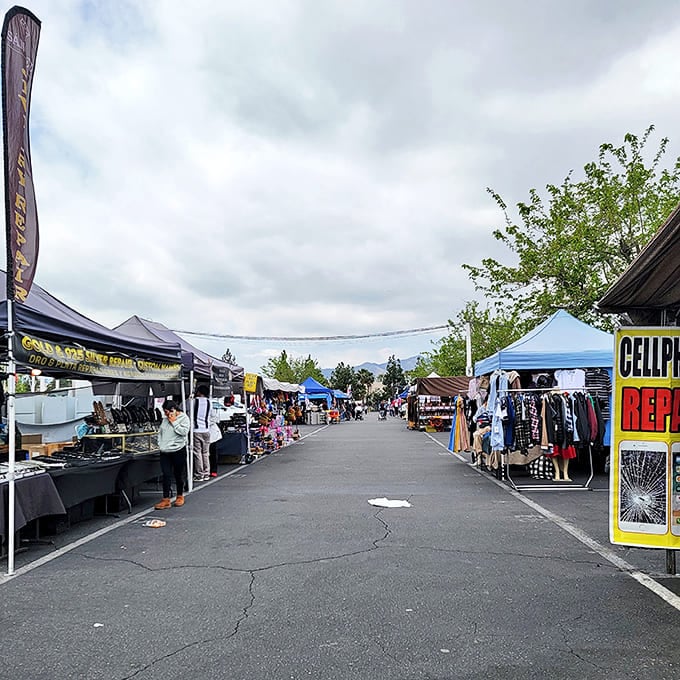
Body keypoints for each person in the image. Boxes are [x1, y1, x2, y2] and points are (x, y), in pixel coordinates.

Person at [155, 399, 191, 509]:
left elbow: (184, 432)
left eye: (167, 411)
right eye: (165, 412)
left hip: (178, 449)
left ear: (174, 409)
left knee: (178, 474)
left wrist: (174, 421)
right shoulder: (165, 420)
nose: (166, 414)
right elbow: (161, 432)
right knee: (166, 474)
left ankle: (180, 495)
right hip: (165, 451)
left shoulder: (184, 418)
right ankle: (166, 499)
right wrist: (160, 443)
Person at [187, 384, 213, 482]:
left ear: (198, 392)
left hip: (196, 430)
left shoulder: (192, 401)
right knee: (205, 453)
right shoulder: (209, 402)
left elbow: (182, 407)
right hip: (206, 430)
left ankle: (199, 474)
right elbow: (212, 415)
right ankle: (207, 473)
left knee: (197, 453)